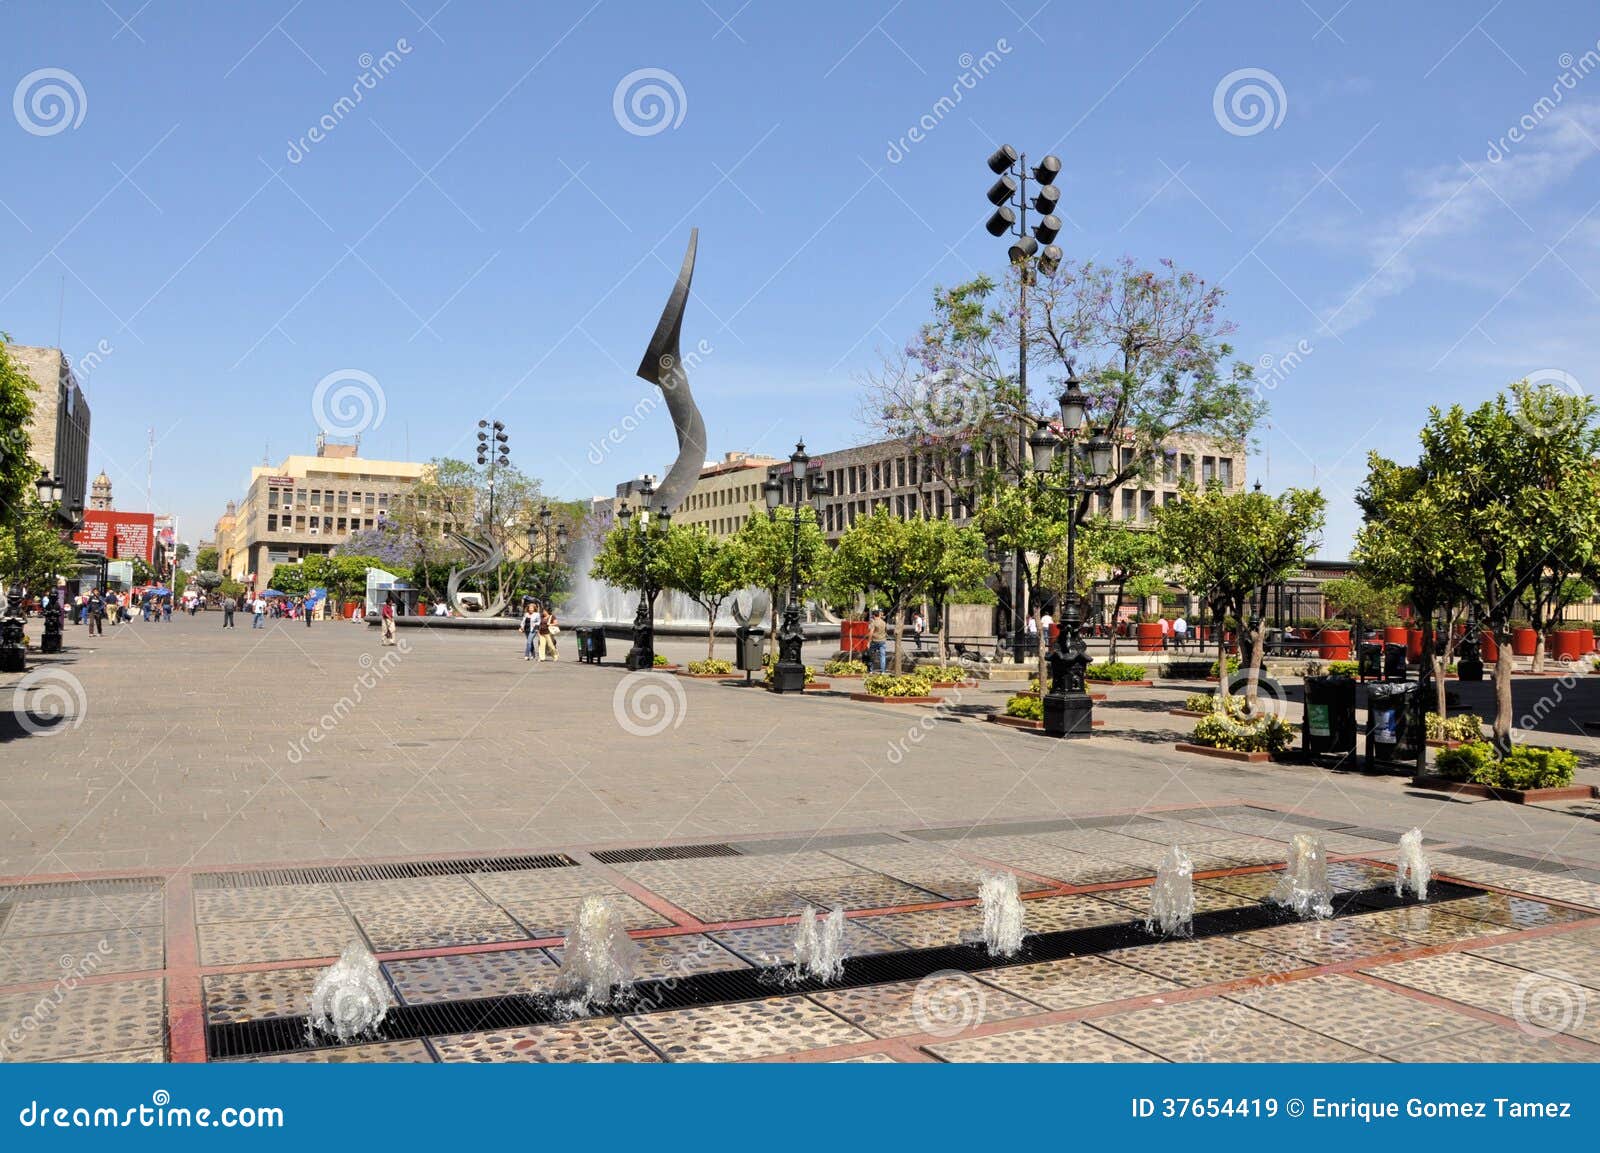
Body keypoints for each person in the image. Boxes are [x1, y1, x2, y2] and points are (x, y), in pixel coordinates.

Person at [867, 608, 888, 674]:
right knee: (882, 656)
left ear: (873, 615)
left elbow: (870, 632)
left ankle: (871, 669)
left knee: (871, 655)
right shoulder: (884, 622)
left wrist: (868, 642)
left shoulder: (873, 623)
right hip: (882, 641)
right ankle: (883, 671)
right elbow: (886, 631)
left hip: (874, 641)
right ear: (879, 615)